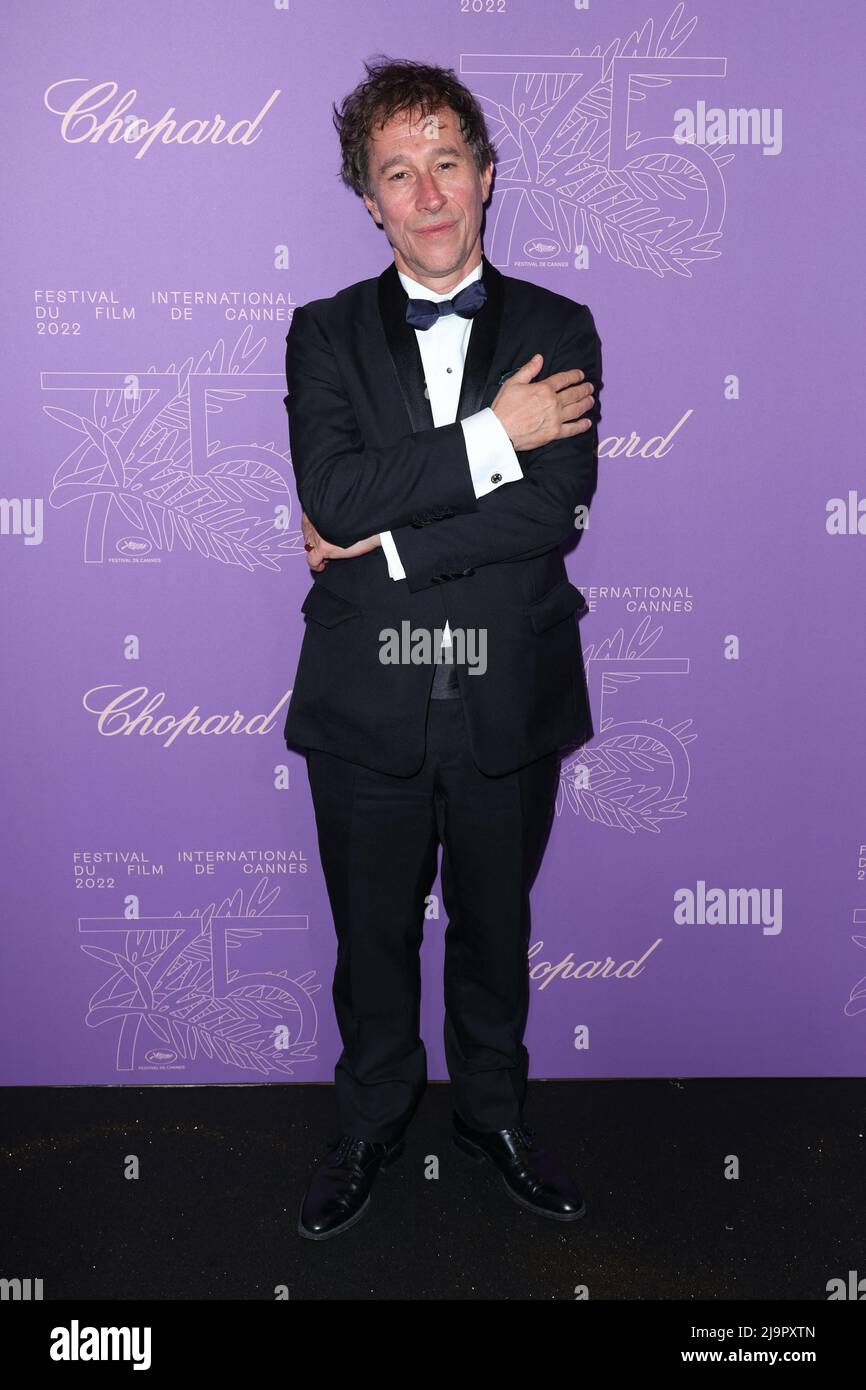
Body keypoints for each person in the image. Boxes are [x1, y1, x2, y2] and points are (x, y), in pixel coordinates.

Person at [282, 55, 603, 1240]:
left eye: (444, 165)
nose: (425, 197)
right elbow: (332, 484)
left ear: (484, 175)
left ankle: (492, 1111)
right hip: (365, 703)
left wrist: (386, 547)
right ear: (367, 198)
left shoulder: (558, 326)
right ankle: (369, 1121)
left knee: (494, 928)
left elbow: (549, 509)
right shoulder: (319, 334)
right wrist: (492, 433)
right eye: (395, 174)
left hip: (505, 694)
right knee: (370, 941)